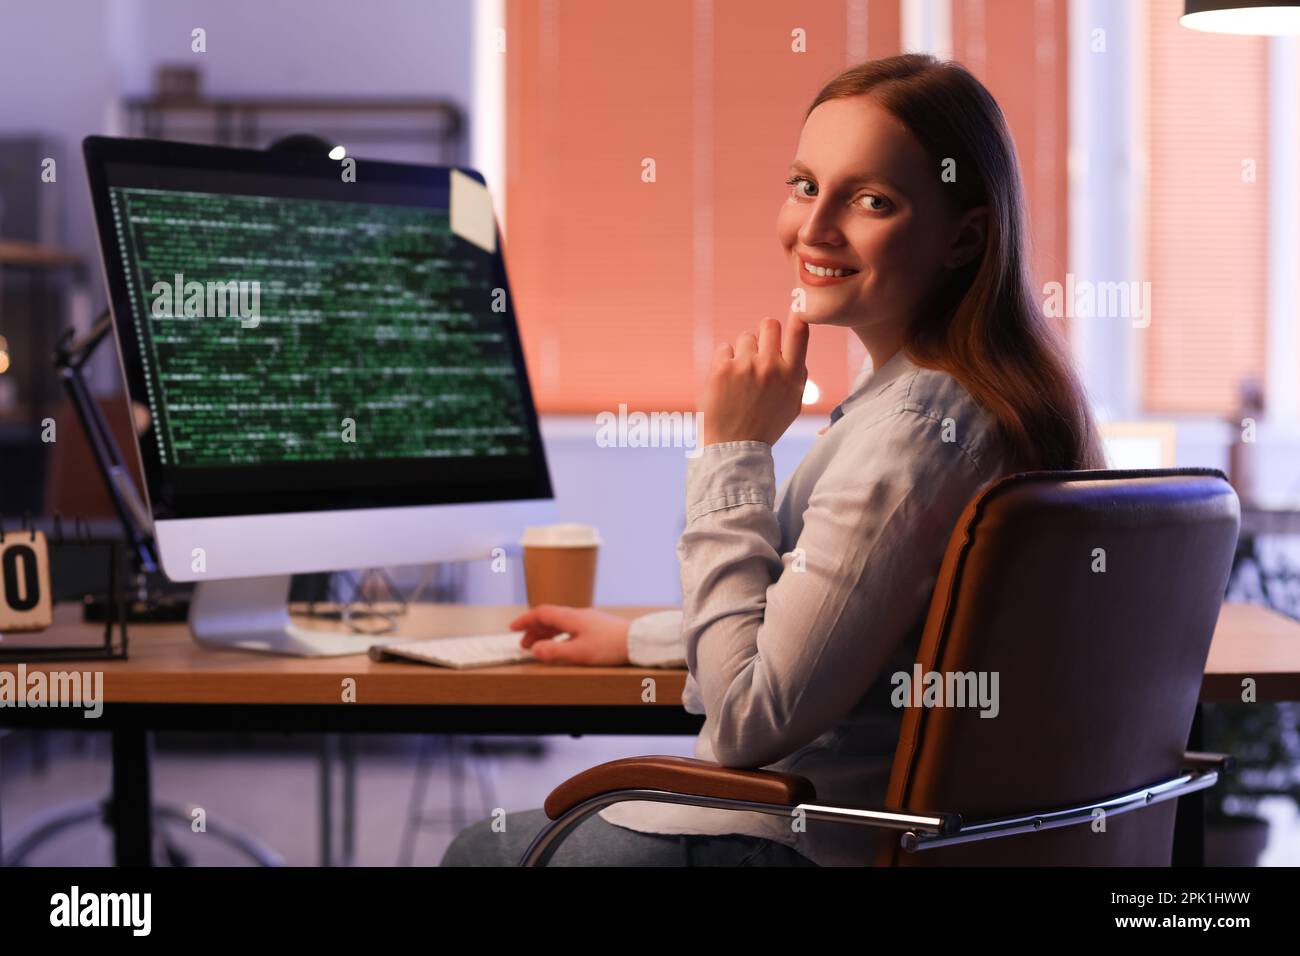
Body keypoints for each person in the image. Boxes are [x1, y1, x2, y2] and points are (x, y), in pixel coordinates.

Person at [441, 52, 1105, 867]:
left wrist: (733, 447)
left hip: (827, 842)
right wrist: (646, 639)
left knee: (486, 849)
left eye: (871, 200)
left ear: (963, 237)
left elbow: (749, 720)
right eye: (803, 185)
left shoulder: (914, 432)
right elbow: (857, 629)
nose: (815, 227)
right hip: (939, 836)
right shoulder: (990, 394)